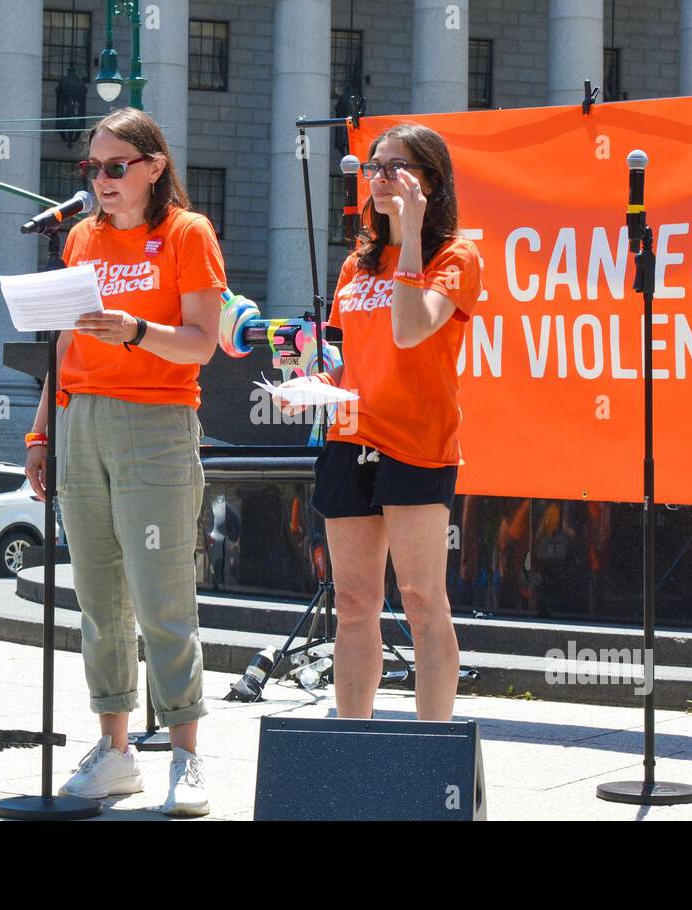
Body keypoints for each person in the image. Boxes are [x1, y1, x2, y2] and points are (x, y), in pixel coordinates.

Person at [24, 108, 225, 816]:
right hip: (82, 421)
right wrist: (40, 433)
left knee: (162, 595)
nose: (103, 180)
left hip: (156, 423)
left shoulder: (186, 234)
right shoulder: (78, 236)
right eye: (93, 168)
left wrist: (138, 330)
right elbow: (64, 350)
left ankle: (187, 757)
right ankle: (114, 753)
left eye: (117, 167)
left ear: (154, 166)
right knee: (98, 600)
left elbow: (201, 343)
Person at [278, 123, 482, 721]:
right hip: (349, 438)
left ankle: (431, 751)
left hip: (417, 442)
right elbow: (351, 359)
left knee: (422, 600)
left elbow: (410, 329)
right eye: (376, 166)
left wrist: (412, 237)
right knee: (354, 602)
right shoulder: (355, 266)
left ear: (431, 180)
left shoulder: (457, 255)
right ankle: (349, 746)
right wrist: (315, 388)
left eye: (397, 166)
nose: (382, 176)